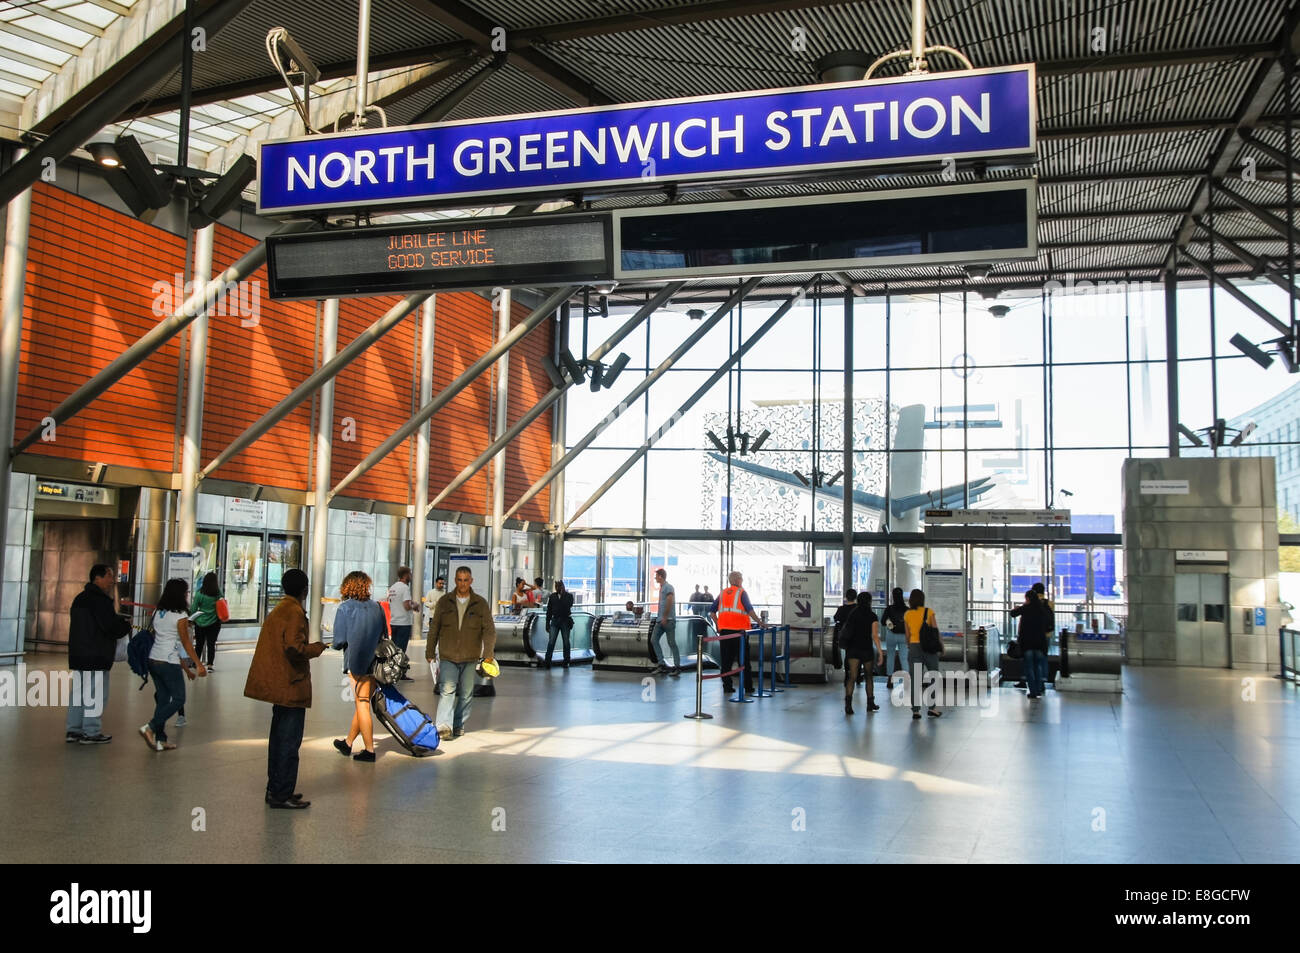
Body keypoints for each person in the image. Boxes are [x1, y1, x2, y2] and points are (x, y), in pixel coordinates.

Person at [244, 569, 327, 809]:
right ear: (305, 589)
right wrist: (316, 648)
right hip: (292, 686)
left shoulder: (281, 608)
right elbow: (294, 647)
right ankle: (282, 794)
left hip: (280, 686)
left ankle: (275, 789)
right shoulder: (294, 612)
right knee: (289, 742)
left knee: (279, 739)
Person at [427, 565, 496, 738]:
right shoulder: (444, 602)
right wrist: (429, 651)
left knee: (466, 694)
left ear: (471, 581)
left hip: (470, 656)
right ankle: (444, 726)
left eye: (466, 580)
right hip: (448, 655)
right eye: (459, 580)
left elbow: (489, 630)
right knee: (447, 690)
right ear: (455, 581)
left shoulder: (480, 604)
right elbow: (434, 628)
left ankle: (458, 724)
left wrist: (488, 654)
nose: (463, 584)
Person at [65, 564, 130, 745]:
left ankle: (74, 730)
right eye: (109, 576)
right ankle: (91, 732)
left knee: (78, 693)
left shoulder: (80, 599)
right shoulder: (101, 601)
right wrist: (125, 626)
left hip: (79, 654)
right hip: (97, 655)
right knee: (95, 694)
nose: (112, 580)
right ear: (97, 578)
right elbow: (110, 628)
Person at [140, 578, 206, 751]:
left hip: (154, 660)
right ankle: (151, 727)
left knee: (162, 700)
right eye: (186, 592)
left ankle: (161, 740)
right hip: (168, 662)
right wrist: (198, 664)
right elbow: (185, 643)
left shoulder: (158, 612)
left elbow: (167, 641)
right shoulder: (180, 616)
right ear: (180, 594)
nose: (187, 595)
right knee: (179, 698)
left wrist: (185, 668)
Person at [331, 571, 387, 762]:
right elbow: (385, 634)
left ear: (347, 586)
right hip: (376, 662)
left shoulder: (345, 608)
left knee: (361, 703)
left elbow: (339, 640)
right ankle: (347, 743)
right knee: (362, 702)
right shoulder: (377, 607)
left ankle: (369, 751)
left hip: (356, 662)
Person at [710, 571, 763, 695]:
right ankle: (748, 687)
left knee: (726, 661)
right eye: (742, 578)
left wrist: (718, 624)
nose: (742, 581)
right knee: (743, 660)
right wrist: (760, 622)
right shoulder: (741, 593)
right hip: (739, 633)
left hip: (725, 633)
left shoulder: (722, 593)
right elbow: (749, 610)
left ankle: (727, 686)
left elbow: (712, 612)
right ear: (738, 580)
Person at [841, 591, 883, 715]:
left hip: (853, 649)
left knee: (852, 677)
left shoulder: (852, 614)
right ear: (869, 601)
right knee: (869, 676)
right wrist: (880, 652)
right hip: (866, 649)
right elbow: (875, 636)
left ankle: (848, 705)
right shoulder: (872, 616)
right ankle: (870, 703)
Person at [904, 588, 941, 720]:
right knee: (933, 676)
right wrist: (940, 645)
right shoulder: (929, 612)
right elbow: (935, 631)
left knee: (915, 679)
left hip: (914, 647)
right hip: (929, 648)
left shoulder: (907, 614)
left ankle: (916, 711)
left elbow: (907, 635)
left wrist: (910, 646)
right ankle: (932, 708)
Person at [1010, 582, 1055, 688]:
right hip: (1045, 636)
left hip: (1029, 637)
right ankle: (1042, 682)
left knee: (1028, 661)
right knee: (1042, 660)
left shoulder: (1029, 604)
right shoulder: (1050, 603)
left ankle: (1025, 680)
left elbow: (1015, 614)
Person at [1017, 589, 1051, 699]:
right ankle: (1039, 689)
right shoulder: (1042, 609)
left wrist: (1020, 607)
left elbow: (1012, 614)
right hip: (1040, 643)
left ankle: (1033, 691)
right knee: (1038, 666)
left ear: (1028, 598)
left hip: (1027, 643)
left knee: (1029, 668)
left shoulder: (1026, 608)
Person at [189, 572, 223, 672]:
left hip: (200, 622)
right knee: (211, 644)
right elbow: (222, 605)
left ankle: (196, 663)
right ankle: (210, 665)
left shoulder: (200, 594)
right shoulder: (218, 593)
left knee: (199, 644)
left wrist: (191, 620)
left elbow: (194, 608)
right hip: (214, 622)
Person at [386, 567, 416, 679]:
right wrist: (415, 605)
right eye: (410, 574)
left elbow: (391, 603)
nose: (411, 576)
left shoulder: (393, 588)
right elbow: (406, 605)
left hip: (394, 622)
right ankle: (400, 674)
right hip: (404, 623)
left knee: (394, 649)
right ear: (406, 575)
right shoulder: (405, 588)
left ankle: (392, 671)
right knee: (401, 650)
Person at [650, 567, 680, 676]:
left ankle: (677, 667)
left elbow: (669, 601)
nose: (655, 578)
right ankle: (661, 664)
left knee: (671, 643)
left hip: (668, 620)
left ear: (661, 576)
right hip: (660, 620)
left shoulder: (668, 587)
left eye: (656, 576)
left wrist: (665, 617)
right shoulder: (662, 588)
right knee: (654, 640)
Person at [882, 587, 909, 691]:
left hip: (891, 635)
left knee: (890, 657)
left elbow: (883, 621)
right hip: (903, 635)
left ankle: (890, 679)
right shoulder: (906, 609)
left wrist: (890, 624)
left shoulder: (889, 608)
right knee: (904, 658)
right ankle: (907, 680)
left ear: (893, 596)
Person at [543, 580, 575, 668]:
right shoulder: (552, 596)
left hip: (565, 620)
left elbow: (568, 605)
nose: (557, 588)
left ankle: (566, 661)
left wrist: (563, 594)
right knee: (551, 641)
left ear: (563, 586)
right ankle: (547, 661)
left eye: (559, 586)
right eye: (556, 586)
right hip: (555, 620)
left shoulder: (569, 596)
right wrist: (547, 622)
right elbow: (549, 610)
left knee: (566, 642)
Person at [832, 588, 856, 672]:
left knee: (848, 653)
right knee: (857, 654)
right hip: (857, 634)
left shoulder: (841, 609)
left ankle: (847, 673)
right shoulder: (858, 608)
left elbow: (835, 618)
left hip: (845, 634)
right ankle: (857, 674)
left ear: (846, 597)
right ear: (855, 597)